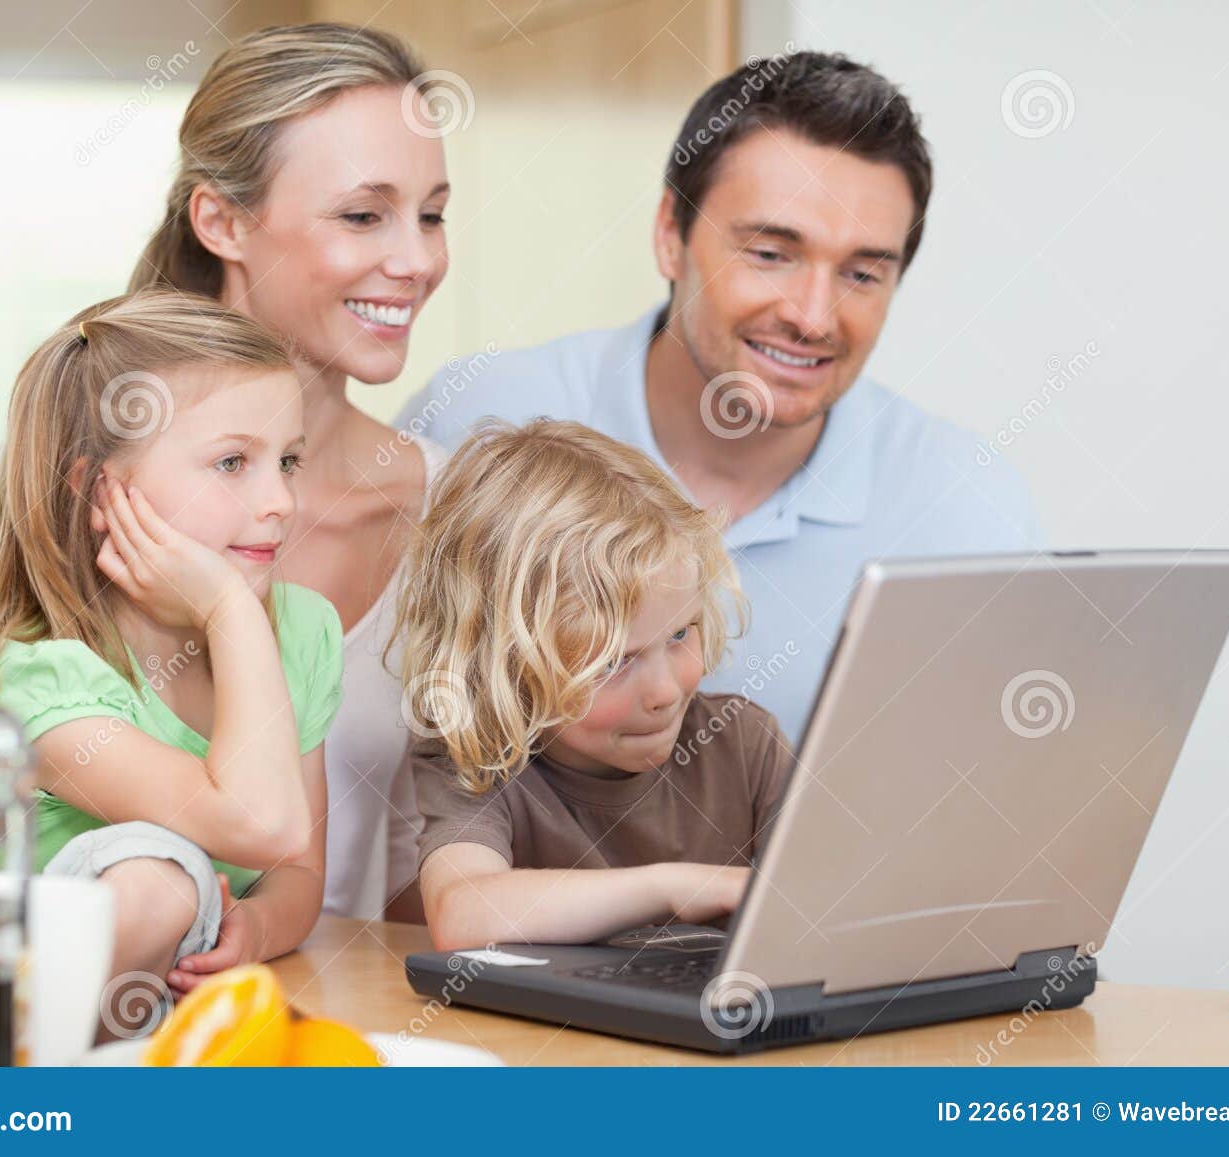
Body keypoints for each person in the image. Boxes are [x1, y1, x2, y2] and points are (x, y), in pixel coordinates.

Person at [0, 23, 453, 920]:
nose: (419, 260)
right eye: (362, 213)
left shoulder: (458, 511)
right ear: (220, 219)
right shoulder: (27, 493)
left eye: (432, 214)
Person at [397, 51, 1041, 744]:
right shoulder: (474, 421)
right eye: (770, 253)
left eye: (861, 272)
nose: (814, 316)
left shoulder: (972, 513)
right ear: (670, 235)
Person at [0, 290, 339, 1009]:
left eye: (288, 460)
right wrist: (228, 606)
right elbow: (262, 822)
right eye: (233, 462)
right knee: (157, 882)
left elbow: (296, 863)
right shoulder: (42, 677)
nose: (281, 500)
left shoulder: (303, 631)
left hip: (157, 1010)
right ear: (100, 490)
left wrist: (255, 927)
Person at [390, 420, 794, 951]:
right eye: (611, 663)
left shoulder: (743, 743)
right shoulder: (475, 762)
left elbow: (844, 897)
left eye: (679, 634)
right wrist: (674, 888)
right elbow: (463, 915)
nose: (665, 692)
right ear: (506, 665)